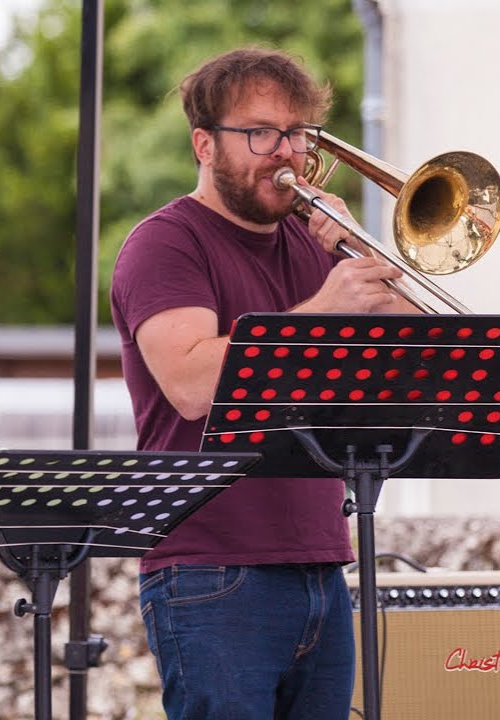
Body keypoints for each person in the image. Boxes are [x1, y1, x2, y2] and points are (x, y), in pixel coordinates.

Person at [110, 47, 418, 719]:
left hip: (321, 565)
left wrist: (361, 251)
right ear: (204, 143)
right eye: (259, 133)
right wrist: (321, 312)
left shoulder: (317, 247)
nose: (285, 153)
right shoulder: (166, 245)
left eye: (296, 133)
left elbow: (426, 349)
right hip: (211, 570)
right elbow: (191, 381)